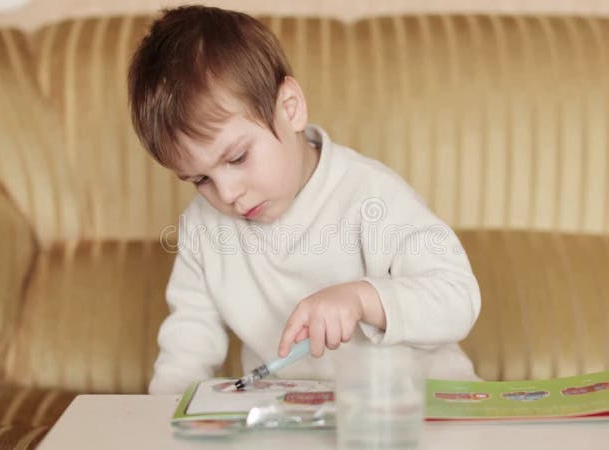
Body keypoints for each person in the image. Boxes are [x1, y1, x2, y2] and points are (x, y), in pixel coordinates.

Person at [128, 5, 482, 394]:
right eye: (200, 179)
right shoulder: (203, 227)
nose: (227, 194)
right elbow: (188, 343)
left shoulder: (371, 196)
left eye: (237, 157)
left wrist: (363, 298)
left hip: (423, 405)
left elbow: (458, 298)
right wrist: (164, 412)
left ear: (290, 109)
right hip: (301, 416)